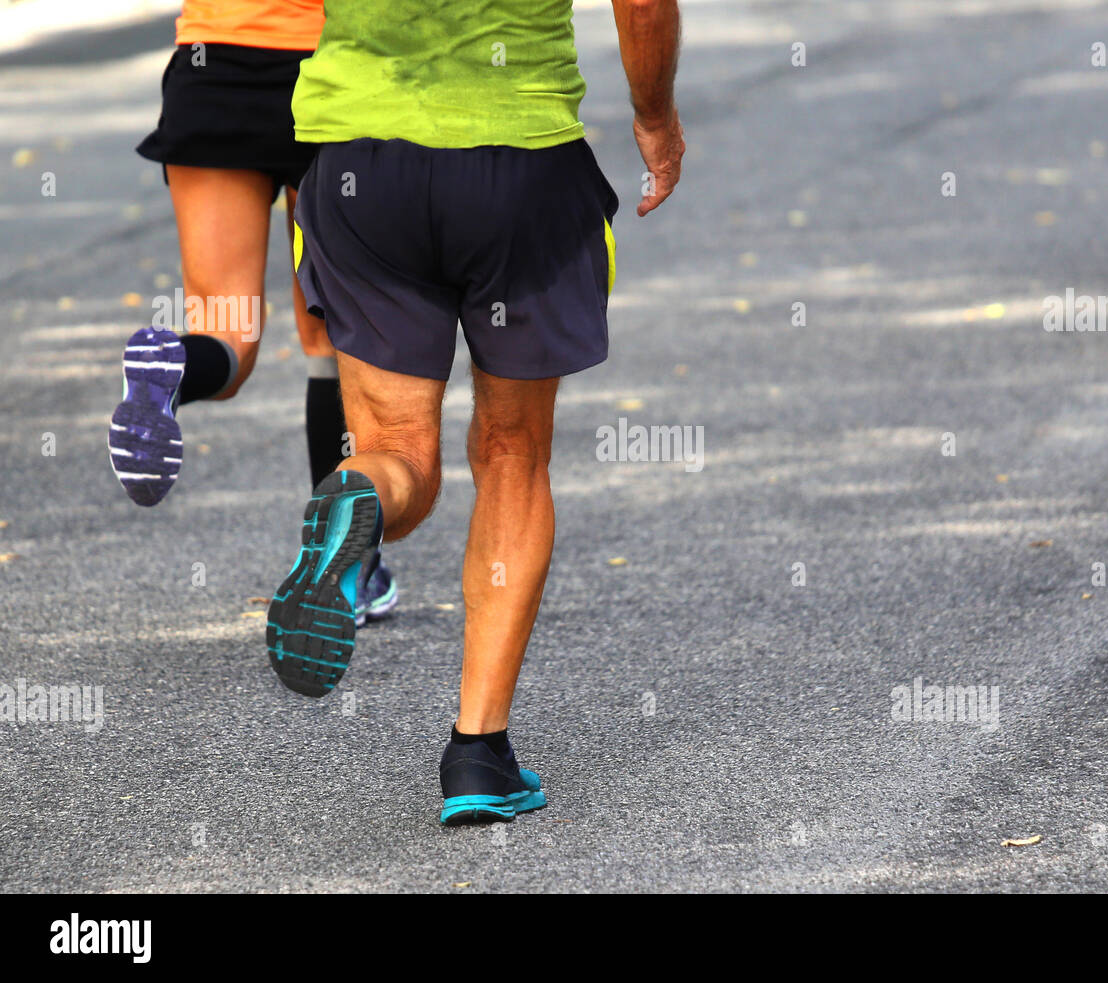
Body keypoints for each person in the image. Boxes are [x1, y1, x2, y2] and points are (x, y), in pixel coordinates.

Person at [268, 0, 684, 825]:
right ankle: (478, 753)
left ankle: (358, 498)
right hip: (520, 157)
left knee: (394, 448)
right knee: (511, 452)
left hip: (362, 159)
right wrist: (655, 116)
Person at [108, 0, 398, 626]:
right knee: (337, 344)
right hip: (334, 71)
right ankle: (342, 570)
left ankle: (170, 370)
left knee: (224, 332)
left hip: (212, 70)